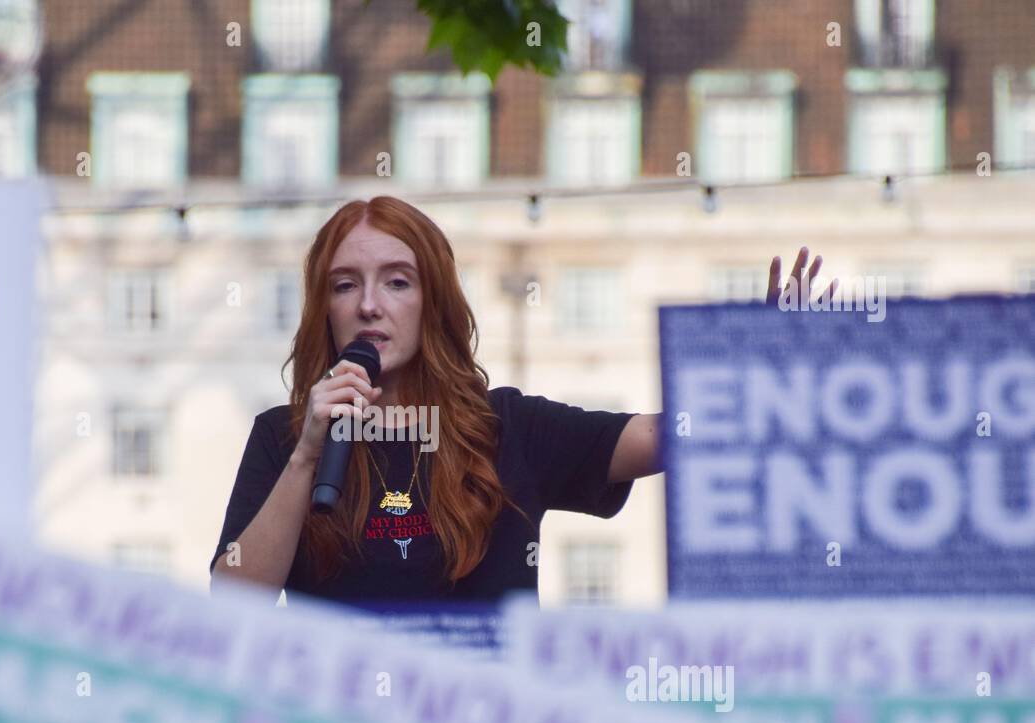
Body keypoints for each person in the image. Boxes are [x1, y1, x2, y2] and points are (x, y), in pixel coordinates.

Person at [210, 195, 832, 610]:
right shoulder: (284, 438)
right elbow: (234, 601)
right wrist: (306, 459)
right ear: (325, 308)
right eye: (346, 285)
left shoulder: (508, 429)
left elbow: (662, 439)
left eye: (397, 281)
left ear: (433, 304)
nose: (369, 304)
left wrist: (761, 367)